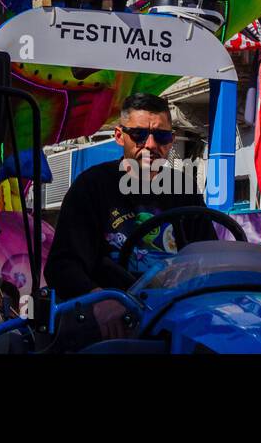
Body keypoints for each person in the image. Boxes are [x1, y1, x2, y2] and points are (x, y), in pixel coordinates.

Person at [44, 93, 215, 341]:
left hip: (173, 319)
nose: (150, 145)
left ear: (172, 140)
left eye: (162, 136)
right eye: (139, 135)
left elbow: (206, 257)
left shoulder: (184, 188)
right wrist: (100, 300)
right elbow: (63, 265)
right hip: (109, 326)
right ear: (118, 136)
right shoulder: (92, 185)